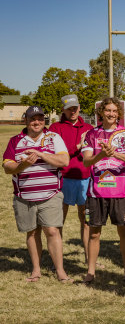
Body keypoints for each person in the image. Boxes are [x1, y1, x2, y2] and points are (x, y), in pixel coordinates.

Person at [3, 106, 73, 283]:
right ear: (26, 120)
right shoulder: (15, 141)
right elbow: (7, 167)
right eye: (33, 119)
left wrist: (40, 154)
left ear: (44, 120)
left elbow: (64, 161)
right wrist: (22, 166)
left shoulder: (54, 138)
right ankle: (36, 270)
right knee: (32, 233)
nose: (37, 122)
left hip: (50, 194)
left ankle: (60, 271)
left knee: (52, 230)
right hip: (24, 196)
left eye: (40, 118)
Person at [81, 97, 125, 285]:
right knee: (94, 233)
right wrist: (102, 155)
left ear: (118, 114)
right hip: (96, 193)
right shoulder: (91, 134)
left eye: (115, 111)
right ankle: (91, 272)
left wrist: (114, 154)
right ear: (101, 112)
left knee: (123, 232)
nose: (111, 114)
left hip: (120, 192)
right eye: (108, 110)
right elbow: (86, 161)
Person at [49, 94, 94, 267]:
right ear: (63, 110)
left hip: (85, 179)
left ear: (79, 107)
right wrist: (76, 148)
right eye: (69, 108)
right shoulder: (55, 128)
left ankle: (89, 259)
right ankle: (56, 260)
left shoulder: (89, 127)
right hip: (63, 178)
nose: (73, 111)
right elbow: (53, 153)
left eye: (75, 107)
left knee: (86, 220)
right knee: (59, 220)